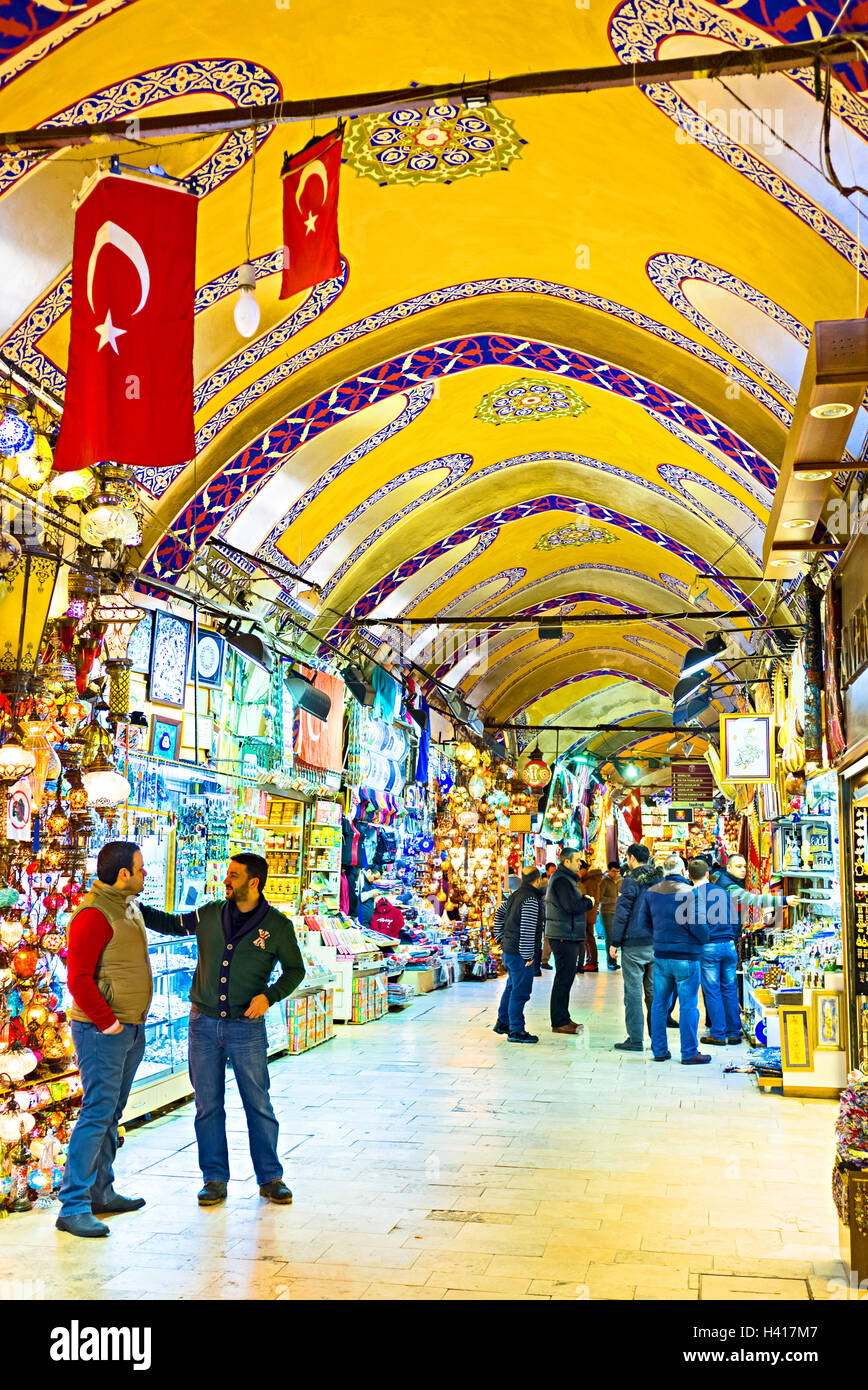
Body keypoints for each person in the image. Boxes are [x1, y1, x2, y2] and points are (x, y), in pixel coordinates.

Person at [141, 852, 304, 1207]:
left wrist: (269, 996)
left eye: (233, 875)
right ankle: (213, 1178)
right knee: (207, 1104)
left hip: (247, 1027)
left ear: (254, 883)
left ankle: (270, 1177)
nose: (226, 881)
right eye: (227, 874)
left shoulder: (277, 926)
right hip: (203, 1023)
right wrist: (131, 904)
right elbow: (173, 924)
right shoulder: (210, 913)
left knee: (257, 1102)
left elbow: (295, 970)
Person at [57, 842, 155, 1238]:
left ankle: (101, 1191)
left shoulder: (126, 907)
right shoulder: (94, 914)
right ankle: (73, 1205)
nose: (145, 875)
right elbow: (78, 978)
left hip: (129, 1027)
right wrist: (108, 1022)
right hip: (103, 1031)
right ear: (123, 875)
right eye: (141, 869)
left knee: (112, 1114)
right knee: (97, 1114)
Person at [638, 854, 710, 1064]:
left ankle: (659, 1050)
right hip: (686, 956)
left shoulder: (651, 892)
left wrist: (660, 936)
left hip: (661, 955)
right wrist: (703, 939)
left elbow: (643, 923)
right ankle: (689, 1052)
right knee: (688, 1005)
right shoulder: (690, 892)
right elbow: (698, 925)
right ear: (682, 872)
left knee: (659, 1003)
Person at [609, 844, 663, 1051]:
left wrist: (615, 942)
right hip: (656, 943)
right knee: (654, 993)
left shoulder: (630, 881)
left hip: (634, 944)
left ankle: (635, 1039)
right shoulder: (660, 880)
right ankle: (658, 1039)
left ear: (631, 858)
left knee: (632, 992)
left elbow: (622, 913)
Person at [685, 858, 742, 1045]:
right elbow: (735, 919)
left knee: (712, 990)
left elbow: (693, 924)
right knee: (730, 988)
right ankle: (734, 1032)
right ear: (708, 873)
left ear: (689, 876)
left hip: (708, 947)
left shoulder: (692, 895)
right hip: (728, 945)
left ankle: (718, 1033)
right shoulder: (722, 892)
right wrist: (733, 939)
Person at [545, 847, 594, 1035]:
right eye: (576, 860)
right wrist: (587, 902)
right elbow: (571, 906)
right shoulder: (562, 880)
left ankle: (563, 1017)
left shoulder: (566, 879)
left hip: (567, 933)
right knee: (563, 978)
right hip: (563, 934)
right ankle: (559, 1021)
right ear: (566, 862)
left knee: (566, 978)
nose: (580, 863)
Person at [492, 868, 543, 1042]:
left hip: (510, 950)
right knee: (520, 991)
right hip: (519, 954)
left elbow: (499, 914)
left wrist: (501, 938)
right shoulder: (530, 899)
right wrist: (528, 956)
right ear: (538, 880)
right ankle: (516, 1030)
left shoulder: (516, 895)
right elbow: (527, 930)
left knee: (512, 987)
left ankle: (503, 1022)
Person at [599, 862, 621, 971]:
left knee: (616, 937)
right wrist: (613, 900)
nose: (615, 874)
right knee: (610, 937)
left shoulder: (621, 881)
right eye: (613, 871)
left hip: (618, 913)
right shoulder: (604, 882)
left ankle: (614, 960)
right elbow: (600, 898)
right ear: (608, 871)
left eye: (617, 871)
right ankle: (611, 961)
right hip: (606, 912)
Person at [581, 865, 604, 972]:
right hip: (590, 914)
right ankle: (591, 962)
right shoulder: (593, 881)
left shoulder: (589, 882)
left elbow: (588, 900)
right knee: (589, 938)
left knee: (589, 939)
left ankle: (592, 962)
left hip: (587, 914)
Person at [538, 863, 558, 970]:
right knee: (547, 938)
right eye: (552, 871)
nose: (554, 872)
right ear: (547, 871)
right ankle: (544, 959)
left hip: (548, 914)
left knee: (547, 937)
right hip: (546, 914)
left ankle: (543, 959)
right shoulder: (545, 883)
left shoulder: (549, 882)